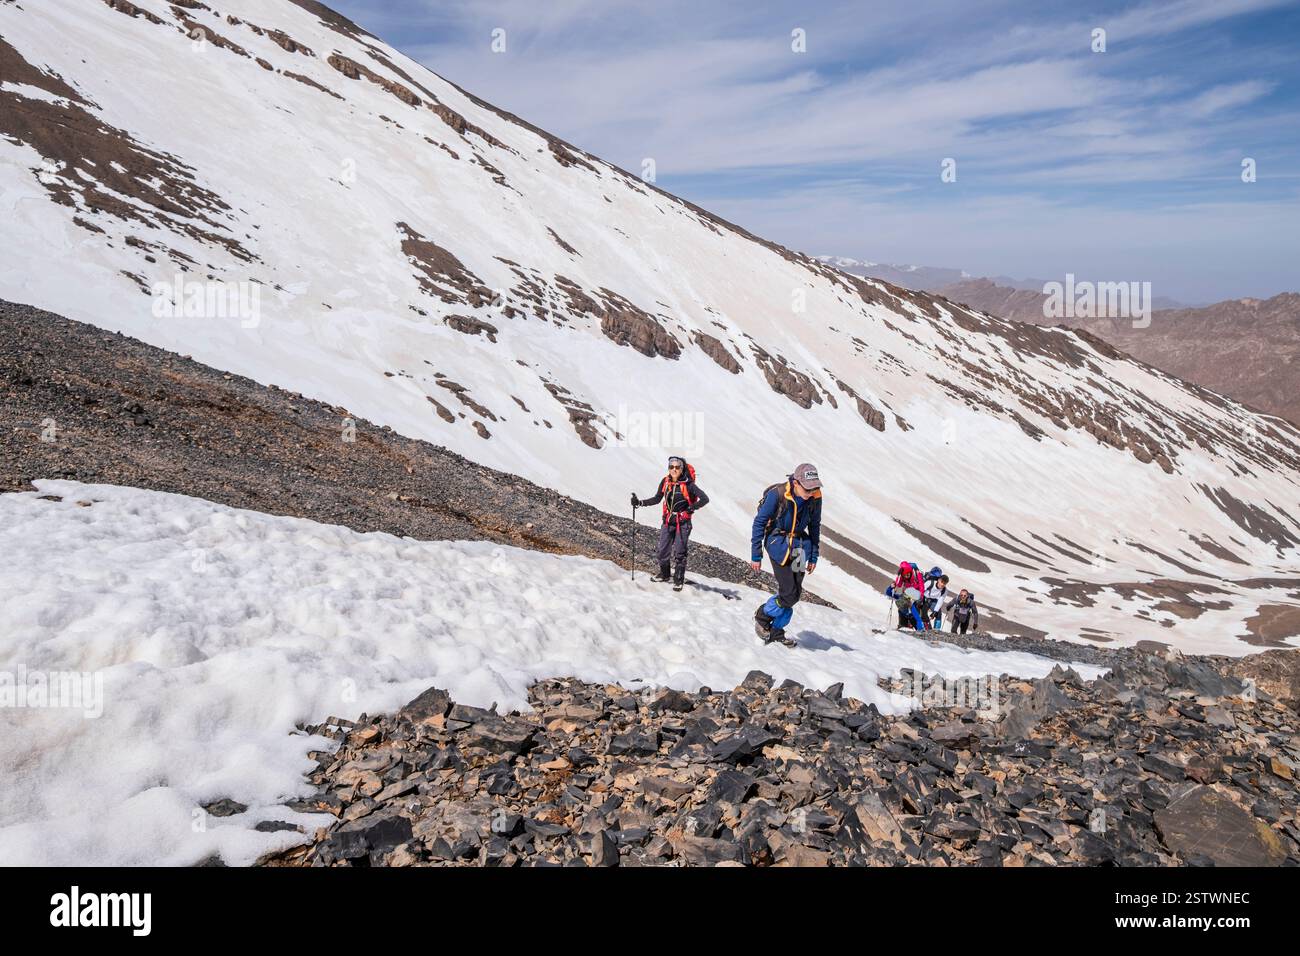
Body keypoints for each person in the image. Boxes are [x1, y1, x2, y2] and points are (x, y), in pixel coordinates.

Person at [751, 463, 823, 645]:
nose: (811, 492)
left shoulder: (815, 498)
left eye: (814, 487)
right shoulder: (778, 495)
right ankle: (763, 615)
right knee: (788, 592)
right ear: (796, 482)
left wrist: (814, 555)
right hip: (779, 545)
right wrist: (756, 554)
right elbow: (759, 523)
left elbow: (814, 526)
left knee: (795, 594)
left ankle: (776, 630)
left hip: (800, 548)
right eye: (808, 488)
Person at [632, 456, 709, 591]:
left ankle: (678, 579)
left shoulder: (689, 484)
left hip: (682, 523)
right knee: (662, 551)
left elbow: (705, 499)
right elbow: (657, 498)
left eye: (677, 467)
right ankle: (665, 574)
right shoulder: (665, 482)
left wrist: (691, 508)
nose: (674, 469)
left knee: (680, 552)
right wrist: (640, 503)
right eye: (671, 466)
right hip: (668, 521)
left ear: (682, 468)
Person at [890, 561, 926, 628]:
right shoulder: (902, 575)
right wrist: (898, 578)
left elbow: (921, 585)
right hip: (907, 592)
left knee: (913, 609)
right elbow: (899, 584)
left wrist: (921, 596)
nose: (906, 576)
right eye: (905, 575)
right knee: (902, 606)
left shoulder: (917, 573)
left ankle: (918, 627)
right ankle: (903, 625)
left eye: (908, 574)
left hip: (916, 592)